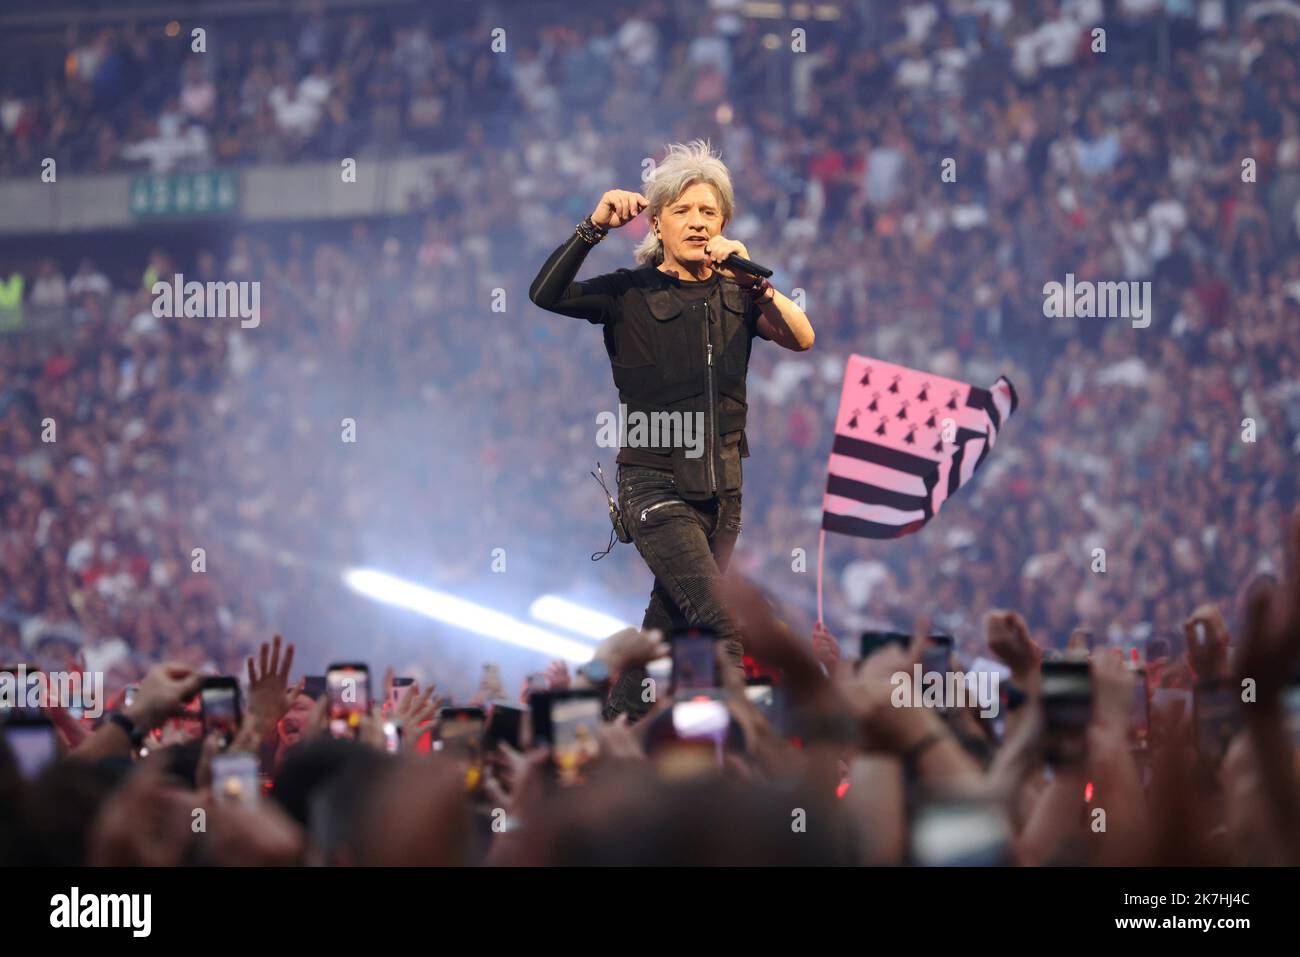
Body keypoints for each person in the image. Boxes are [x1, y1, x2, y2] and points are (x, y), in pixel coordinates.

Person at [528, 139, 814, 720]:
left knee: (666, 628)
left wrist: (757, 282)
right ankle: (746, 754)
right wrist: (591, 228)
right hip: (654, 488)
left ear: (725, 223)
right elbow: (545, 294)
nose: (698, 222)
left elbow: (802, 337)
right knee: (721, 626)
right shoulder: (626, 293)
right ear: (656, 222)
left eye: (709, 212)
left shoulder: (740, 291)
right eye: (683, 211)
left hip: (724, 494)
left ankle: (608, 738)